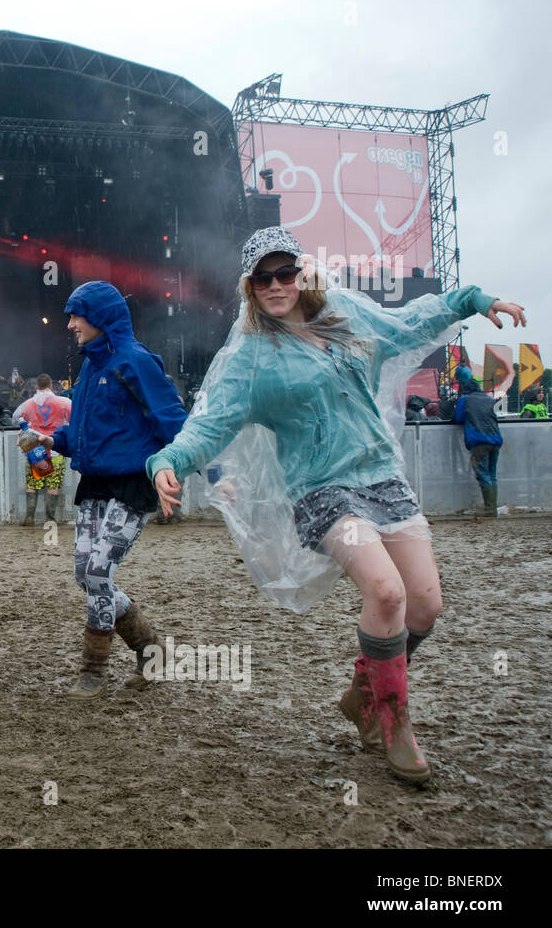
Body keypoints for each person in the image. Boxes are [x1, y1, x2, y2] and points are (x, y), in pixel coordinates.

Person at [147, 226, 527, 784]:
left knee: (424, 605)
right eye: (262, 277)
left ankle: (361, 691)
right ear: (248, 286)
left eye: (285, 272)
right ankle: (395, 723)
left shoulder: (345, 314)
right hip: (321, 492)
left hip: (382, 477)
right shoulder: (249, 359)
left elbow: (409, 323)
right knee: (387, 591)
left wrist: (471, 299)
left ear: (300, 273)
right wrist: (167, 463)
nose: (276, 285)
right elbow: (207, 425)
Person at [24, 282, 187, 698]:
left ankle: (92, 670)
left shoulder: (135, 361)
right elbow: (78, 432)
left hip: (132, 483)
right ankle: (151, 650)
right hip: (94, 484)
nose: (70, 323)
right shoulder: (90, 368)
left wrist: (187, 466)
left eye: (76, 314)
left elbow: (172, 419)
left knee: (98, 573)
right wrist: (48, 442)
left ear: (99, 316)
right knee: (86, 575)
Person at [13, 373, 72, 526]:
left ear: (37, 386)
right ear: (51, 386)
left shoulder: (28, 404)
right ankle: (50, 519)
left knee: (33, 484)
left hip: (36, 449)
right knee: (53, 486)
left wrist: (27, 426)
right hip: (55, 448)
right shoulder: (63, 402)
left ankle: (30, 517)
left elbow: (16, 417)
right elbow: (73, 420)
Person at [452, 366, 503, 515]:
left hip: (479, 441)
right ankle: (492, 507)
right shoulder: (488, 399)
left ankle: (489, 509)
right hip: (496, 439)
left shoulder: (465, 400)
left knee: (483, 474)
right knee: (492, 474)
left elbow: (457, 418)